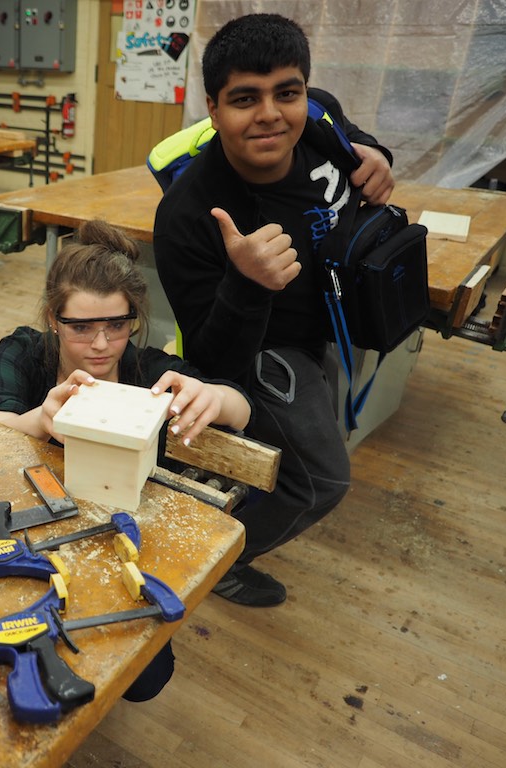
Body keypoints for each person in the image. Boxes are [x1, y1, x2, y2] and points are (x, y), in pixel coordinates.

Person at [152, 13, 396, 607]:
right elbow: (213, 359)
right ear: (212, 109)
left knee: (300, 448)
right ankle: (215, 560)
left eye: (287, 92)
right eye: (244, 98)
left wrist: (380, 158)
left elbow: (361, 148)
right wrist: (249, 283)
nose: (270, 114)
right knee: (320, 482)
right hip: (267, 349)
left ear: (305, 92)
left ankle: (223, 497)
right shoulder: (190, 216)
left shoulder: (319, 118)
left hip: (329, 323)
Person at [0, 218, 251, 701]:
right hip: (27, 524)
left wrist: (213, 396)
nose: (100, 345)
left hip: (117, 533)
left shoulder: (149, 372)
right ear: (53, 319)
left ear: (132, 320)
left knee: (142, 676)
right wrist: (39, 420)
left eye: (116, 325)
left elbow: (241, 409)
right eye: (80, 327)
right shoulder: (22, 352)